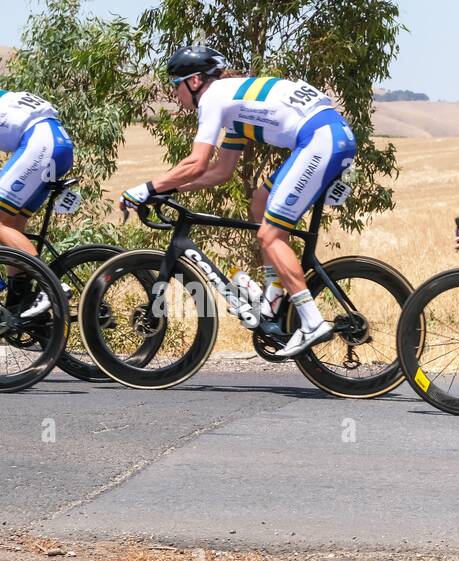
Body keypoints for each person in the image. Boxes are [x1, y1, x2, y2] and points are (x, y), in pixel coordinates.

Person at [119, 45, 357, 357]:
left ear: (194, 82)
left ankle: (312, 322)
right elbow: (220, 171)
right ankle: (274, 297)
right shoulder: (237, 105)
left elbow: (197, 163)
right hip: (327, 136)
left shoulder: (213, 97)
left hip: (320, 140)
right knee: (260, 202)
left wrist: (146, 188)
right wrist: (170, 190)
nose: (176, 95)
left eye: (176, 86)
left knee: (269, 235)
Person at [0, 88, 74, 316]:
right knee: (11, 224)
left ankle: (47, 285)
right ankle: (19, 299)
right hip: (59, 145)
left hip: (40, 143)